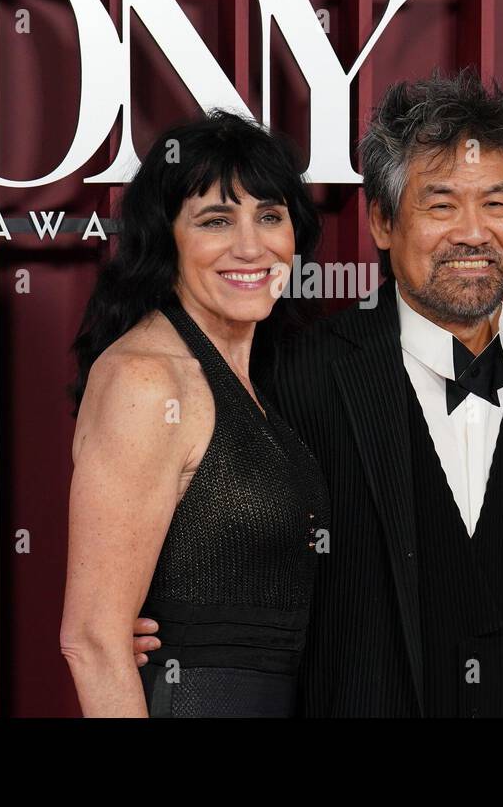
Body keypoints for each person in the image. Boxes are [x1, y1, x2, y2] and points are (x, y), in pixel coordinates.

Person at [135, 69, 503, 716]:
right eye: (442, 204)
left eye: (496, 202)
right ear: (382, 222)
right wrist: (153, 618)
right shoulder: (297, 371)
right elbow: (200, 497)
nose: (473, 232)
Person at [59, 109, 329, 717]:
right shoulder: (147, 379)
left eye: (269, 216)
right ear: (166, 239)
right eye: (215, 220)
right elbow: (93, 641)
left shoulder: (253, 376)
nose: (250, 245)